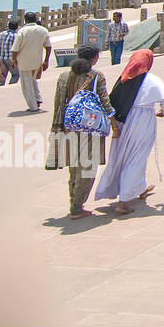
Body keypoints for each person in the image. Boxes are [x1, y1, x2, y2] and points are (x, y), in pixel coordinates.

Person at [94, 49, 164, 214]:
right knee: (137, 157)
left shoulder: (123, 79)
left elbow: (112, 101)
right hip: (142, 121)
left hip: (123, 122)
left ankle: (139, 188)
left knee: (122, 156)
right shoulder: (151, 80)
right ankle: (123, 203)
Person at [48, 46, 112, 219]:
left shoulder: (63, 77)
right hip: (89, 128)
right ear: (94, 59)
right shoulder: (96, 76)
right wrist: (113, 122)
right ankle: (77, 206)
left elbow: (58, 104)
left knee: (74, 166)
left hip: (67, 127)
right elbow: (105, 102)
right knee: (88, 168)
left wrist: (57, 128)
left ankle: (74, 202)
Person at [10, 12, 52, 112]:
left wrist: (13, 59)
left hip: (24, 62)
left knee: (26, 84)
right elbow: (48, 46)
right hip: (37, 61)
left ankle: (33, 106)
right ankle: (37, 99)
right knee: (33, 81)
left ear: (25, 20)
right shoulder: (43, 30)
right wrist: (46, 60)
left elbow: (15, 48)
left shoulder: (22, 31)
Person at [0, 18, 19, 86]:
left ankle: (1, 88)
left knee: (2, 75)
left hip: (0, 58)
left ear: (8, 26)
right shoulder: (16, 36)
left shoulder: (1, 34)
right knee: (16, 75)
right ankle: (10, 87)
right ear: (17, 27)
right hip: (10, 59)